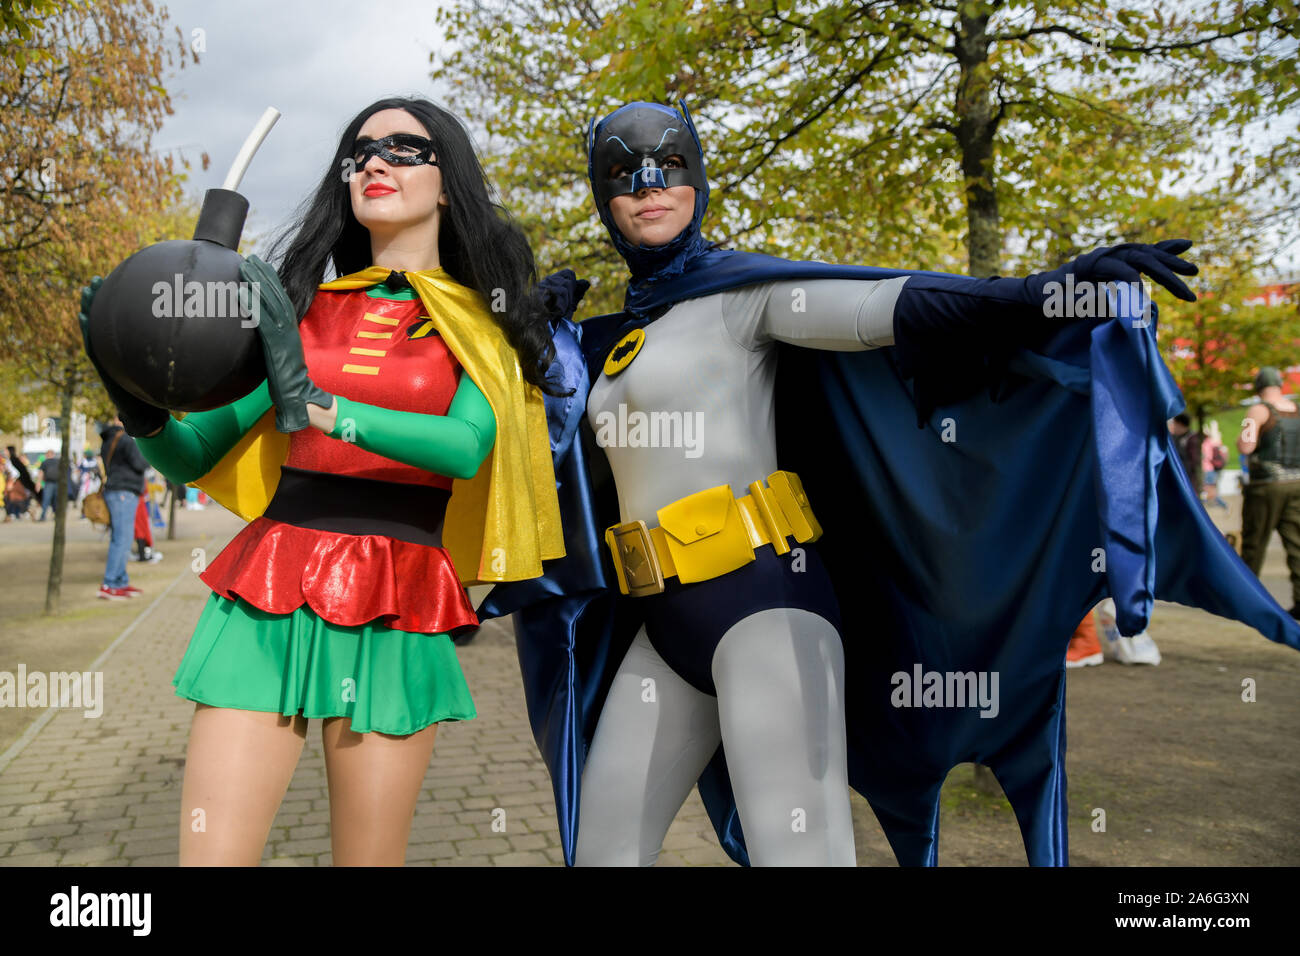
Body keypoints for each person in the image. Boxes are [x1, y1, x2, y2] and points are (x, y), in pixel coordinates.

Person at [484, 100, 1300, 868]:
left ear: (699, 174)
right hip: (663, 627)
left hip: (764, 610)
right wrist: (534, 341)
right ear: (603, 199)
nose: (649, 187)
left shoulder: (745, 297)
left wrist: (1040, 291)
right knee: (603, 849)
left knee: (800, 852)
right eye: (623, 174)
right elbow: (535, 441)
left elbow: (890, 305)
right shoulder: (609, 340)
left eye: (669, 163)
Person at [79, 96, 563, 865]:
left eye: (406, 149)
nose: (377, 162)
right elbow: (192, 454)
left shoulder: (486, 325)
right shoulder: (297, 312)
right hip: (266, 586)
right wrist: (132, 395)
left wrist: (321, 406)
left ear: (448, 184)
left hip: (399, 598)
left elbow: (466, 446)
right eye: (362, 153)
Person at [1237, 365, 1300, 616]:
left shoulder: (1258, 410)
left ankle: (1245, 601)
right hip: (1296, 484)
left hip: (1266, 485)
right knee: (1296, 545)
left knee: (1254, 543)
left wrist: (1241, 438)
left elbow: (1246, 446)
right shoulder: (1295, 409)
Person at [97, 417, 148, 599]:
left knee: (120, 538)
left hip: (116, 491)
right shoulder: (125, 439)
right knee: (122, 539)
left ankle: (120, 580)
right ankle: (110, 583)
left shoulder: (108, 440)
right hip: (124, 492)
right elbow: (141, 463)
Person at [1201, 419, 1228, 509]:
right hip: (1213, 468)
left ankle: (1221, 504)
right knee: (1210, 488)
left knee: (1209, 488)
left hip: (1208, 468)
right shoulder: (1214, 442)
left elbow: (1207, 456)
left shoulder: (1207, 443)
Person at [37, 450, 62, 521]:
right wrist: (39, 483)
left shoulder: (48, 462)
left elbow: (41, 473)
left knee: (50, 500)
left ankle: (51, 515)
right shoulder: (48, 462)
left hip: (52, 483)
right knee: (49, 499)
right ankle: (45, 516)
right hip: (51, 483)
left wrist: (38, 483)